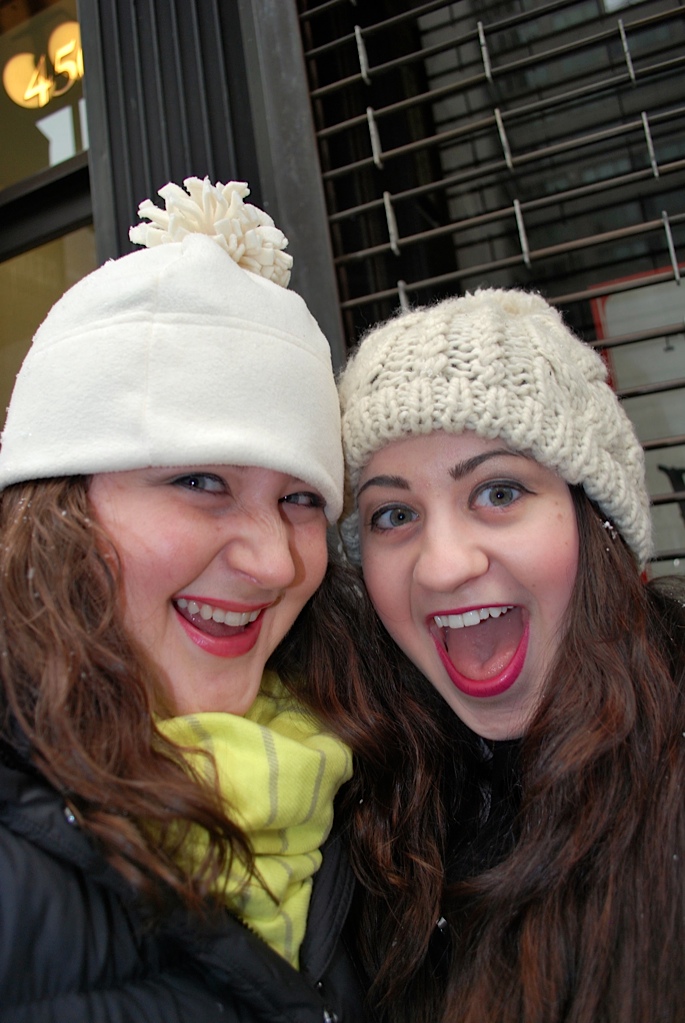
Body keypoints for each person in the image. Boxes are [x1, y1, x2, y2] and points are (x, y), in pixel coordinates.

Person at [0, 177, 374, 1022]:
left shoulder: (369, 777)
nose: (273, 560)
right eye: (201, 481)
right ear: (55, 509)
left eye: (301, 499)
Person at [336, 288, 685, 1023]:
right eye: (392, 514)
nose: (442, 565)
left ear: (598, 521)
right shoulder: (361, 811)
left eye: (497, 490)